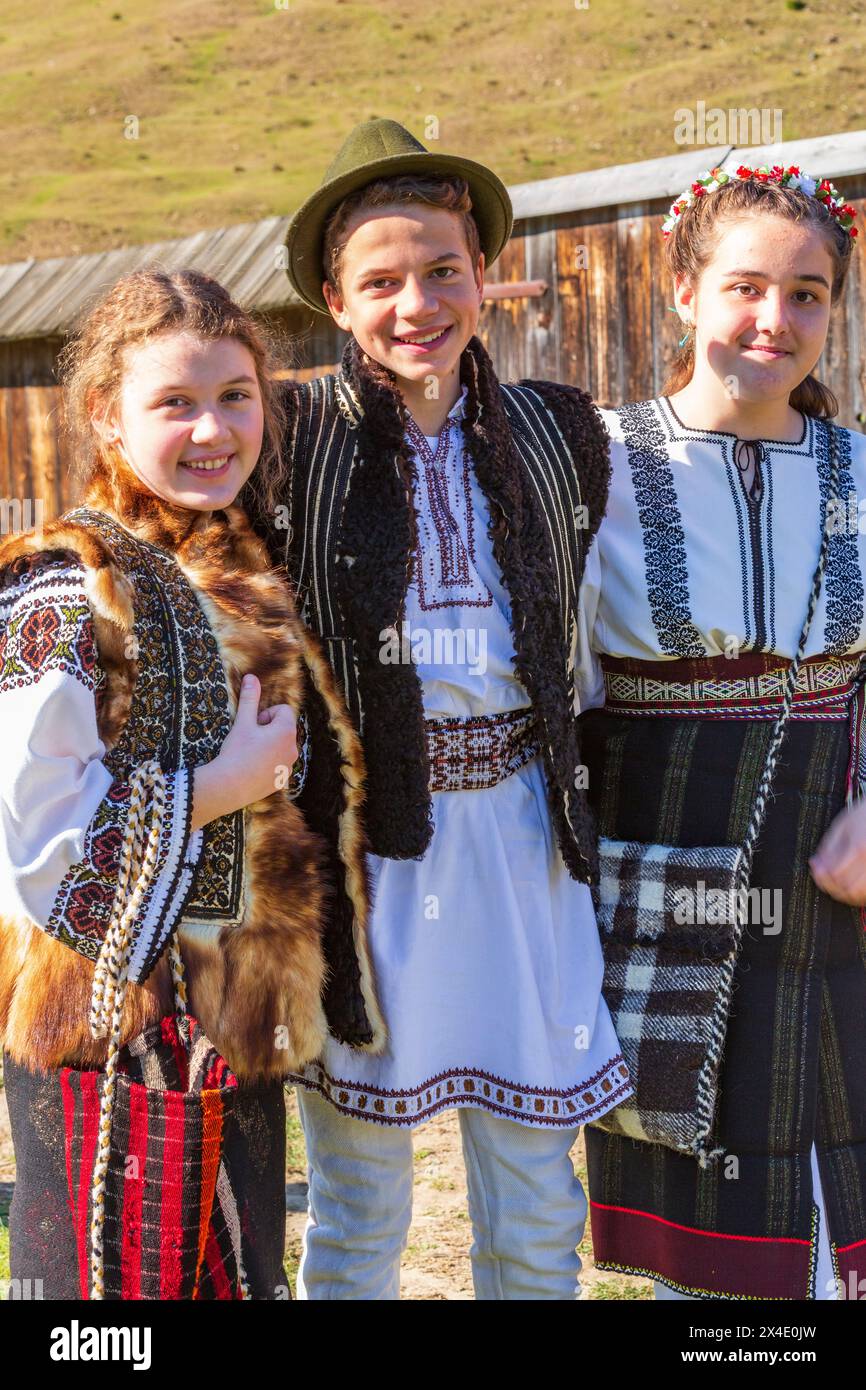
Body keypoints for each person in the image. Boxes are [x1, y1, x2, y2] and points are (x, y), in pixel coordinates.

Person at [243, 117, 632, 1301]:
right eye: (381, 280)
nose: (417, 301)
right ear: (333, 297)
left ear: (483, 274)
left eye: (442, 270)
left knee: (531, 1202)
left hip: (523, 846)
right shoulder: (291, 435)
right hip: (366, 857)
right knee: (360, 1211)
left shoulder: (561, 432)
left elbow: (602, 626)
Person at [0, 267, 371, 1299]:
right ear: (105, 416)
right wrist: (215, 787)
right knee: (107, 1306)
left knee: (238, 1278)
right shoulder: (64, 579)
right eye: (175, 402)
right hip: (103, 1035)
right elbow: (34, 845)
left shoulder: (232, 567)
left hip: (226, 1024)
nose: (212, 427)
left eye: (234, 396)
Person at [575, 163, 866, 1300]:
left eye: (807, 293)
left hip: (835, 878)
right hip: (658, 888)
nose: (773, 319)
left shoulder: (861, 474)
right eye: (746, 285)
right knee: (707, 1243)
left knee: (837, 1218)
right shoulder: (591, 465)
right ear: (682, 286)